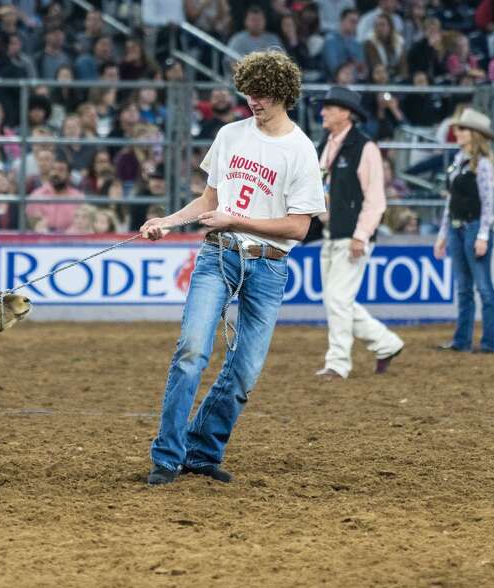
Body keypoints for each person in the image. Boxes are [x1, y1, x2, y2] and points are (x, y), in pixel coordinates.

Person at [140, 50, 325, 485]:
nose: (253, 102)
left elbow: (298, 227)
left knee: (244, 371)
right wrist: (167, 222)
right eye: (248, 94)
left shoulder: (301, 151)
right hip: (218, 254)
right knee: (191, 353)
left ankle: (203, 449)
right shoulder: (230, 135)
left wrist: (235, 219)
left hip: (269, 265)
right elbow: (208, 201)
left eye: (260, 95)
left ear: (282, 94)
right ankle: (167, 457)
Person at [313, 87, 404, 380]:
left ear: (345, 112)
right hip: (331, 232)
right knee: (338, 301)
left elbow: (376, 200)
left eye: (329, 107)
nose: (323, 112)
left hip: (350, 235)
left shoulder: (366, 148)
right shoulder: (325, 144)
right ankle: (386, 343)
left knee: (337, 301)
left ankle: (338, 363)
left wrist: (361, 235)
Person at [434, 109, 494, 354]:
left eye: (462, 129)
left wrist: (483, 234)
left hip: (472, 228)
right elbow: (450, 202)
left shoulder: (482, 165)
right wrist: (443, 233)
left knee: (483, 287)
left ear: (475, 134)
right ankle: (462, 340)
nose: (457, 132)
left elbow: (488, 202)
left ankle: (488, 342)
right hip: (458, 227)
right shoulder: (459, 160)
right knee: (464, 288)